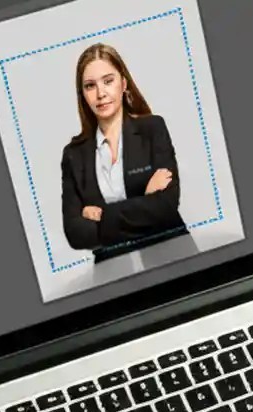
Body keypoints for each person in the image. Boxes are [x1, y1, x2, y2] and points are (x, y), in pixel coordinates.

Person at [61, 43, 186, 263]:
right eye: (90, 86)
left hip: (171, 258)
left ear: (123, 84)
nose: (101, 93)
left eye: (108, 81)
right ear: (83, 95)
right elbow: (75, 233)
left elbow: (166, 205)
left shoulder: (153, 129)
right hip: (113, 270)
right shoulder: (74, 155)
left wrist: (103, 216)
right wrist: (144, 201)